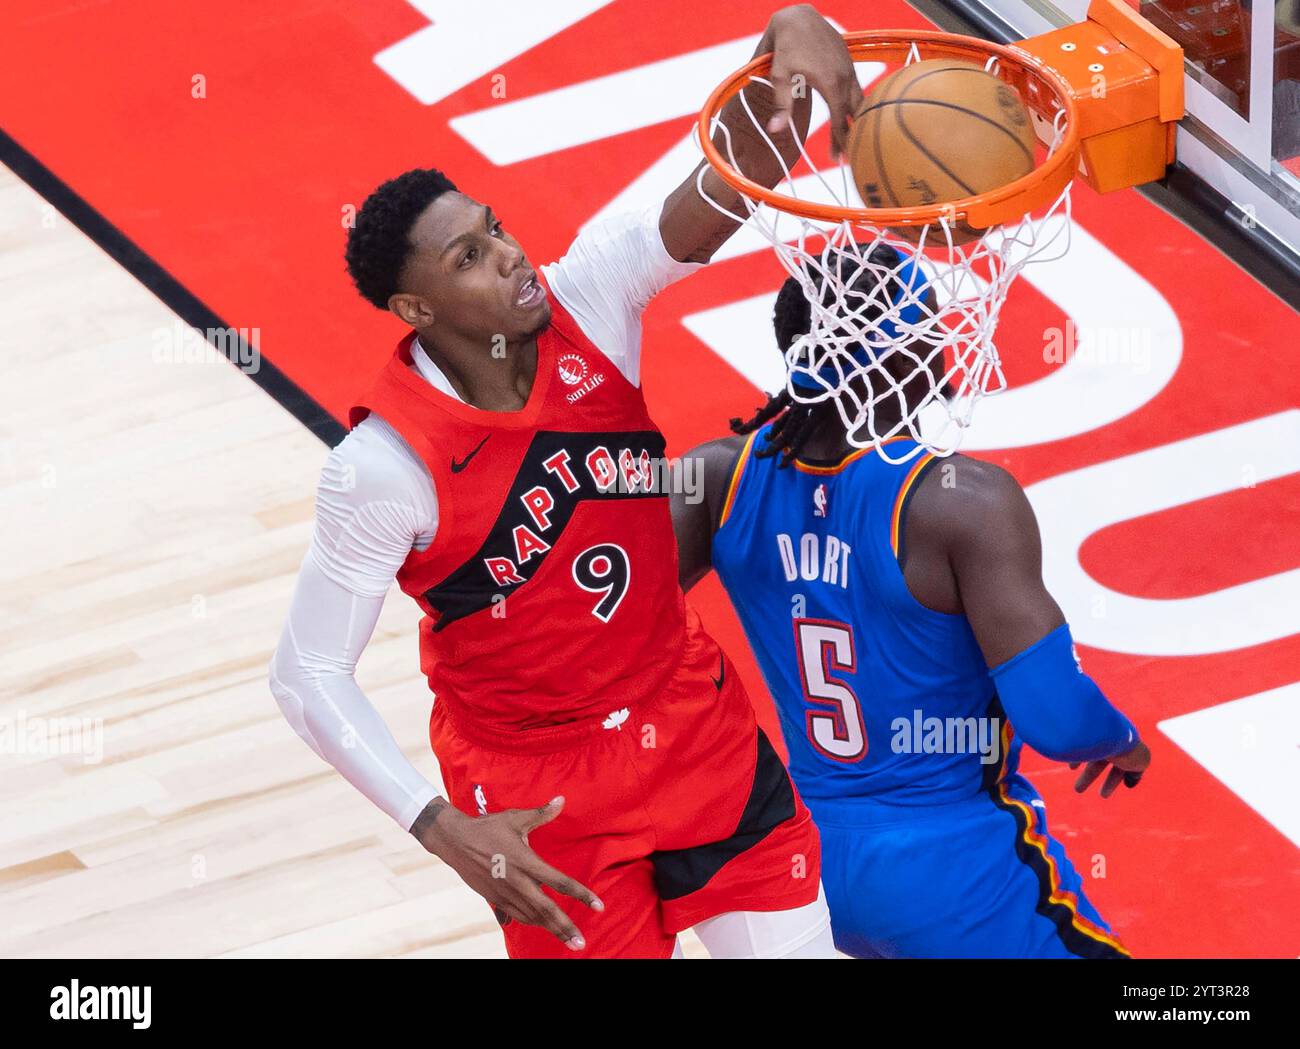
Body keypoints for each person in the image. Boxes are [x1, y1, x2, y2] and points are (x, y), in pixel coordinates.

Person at [269, 5, 864, 959]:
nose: (509, 255)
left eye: (496, 229)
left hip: (687, 720)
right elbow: (304, 672)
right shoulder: (382, 468)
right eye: (470, 256)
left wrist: (791, 40)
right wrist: (440, 825)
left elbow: (726, 176)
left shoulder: (592, 295)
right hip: (541, 800)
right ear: (417, 308)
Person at [669, 244, 1152, 958]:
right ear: (893, 358)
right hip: (954, 869)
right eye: (927, 322)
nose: (942, 337)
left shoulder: (715, 479)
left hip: (802, 865)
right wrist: (1121, 739)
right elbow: (1055, 716)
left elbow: (606, 636)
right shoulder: (964, 505)